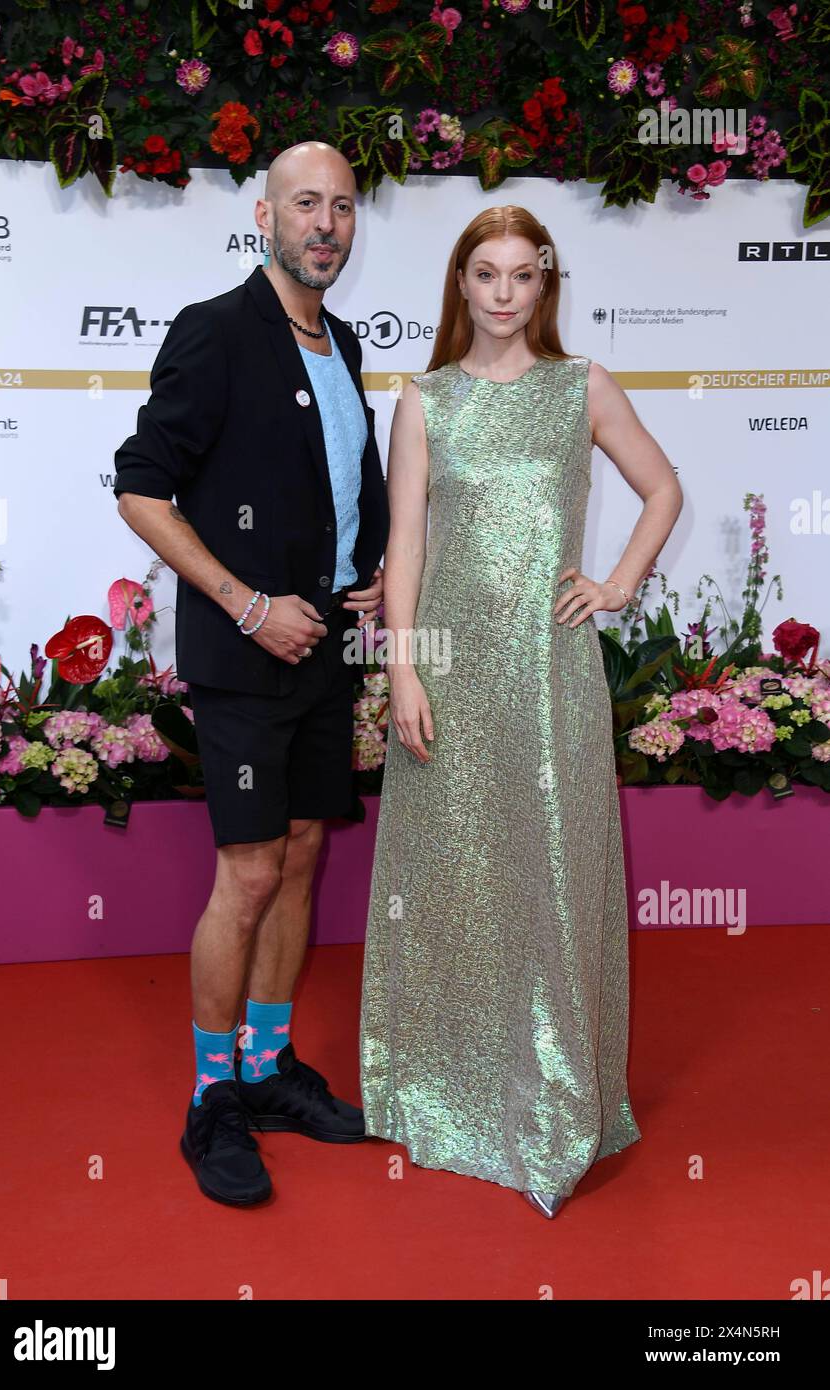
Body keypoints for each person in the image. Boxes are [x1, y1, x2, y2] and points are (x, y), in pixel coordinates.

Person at [359, 206, 683, 1218]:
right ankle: (436, 1093)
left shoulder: (578, 386)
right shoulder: (423, 401)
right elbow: (404, 548)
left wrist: (619, 580)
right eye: (484, 275)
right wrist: (403, 669)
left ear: (544, 286)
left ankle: (546, 1103)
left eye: (521, 277)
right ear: (459, 285)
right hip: (448, 673)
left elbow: (661, 487)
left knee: (546, 873)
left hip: (549, 674)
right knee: (448, 881)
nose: (502, 294)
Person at [114, 142, 388, 1207]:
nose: (325, 224)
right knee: (252, 872)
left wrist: (356, 576)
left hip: (323, 652)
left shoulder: (343, 339)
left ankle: (268, 1069)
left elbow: (329, 484)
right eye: (306, 204)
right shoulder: (216, 331)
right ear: (263, 213)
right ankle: (211, 1096)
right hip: (243, 656)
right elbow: (142, 488)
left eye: (343, 208)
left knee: (307, 848)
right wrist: (244, 602)